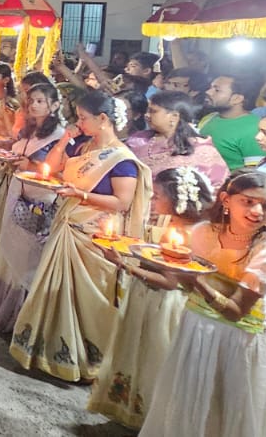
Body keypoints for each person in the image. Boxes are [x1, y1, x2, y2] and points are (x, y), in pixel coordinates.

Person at [9, 90, 151, 382]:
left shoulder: (121, 160)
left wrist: (81, 194)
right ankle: (48, 350)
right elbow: (56, 166)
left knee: (82, 297)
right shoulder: (83, 147)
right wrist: (63, 141)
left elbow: (122, 202)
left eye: (84, 118)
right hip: (66, 224)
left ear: (103, 119)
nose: (79, 123)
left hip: (91, 234)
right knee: (55, 290)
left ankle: (84, 358)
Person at [137, 171, 266, 436]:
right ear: (226, 200)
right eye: (248, 201)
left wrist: (194, 279)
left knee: (226, 409)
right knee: (186, 401)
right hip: (195, 326)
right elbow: (179, 283)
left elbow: (235, 312)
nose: (257, 211)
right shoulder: (202, 233)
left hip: (237, 340)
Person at [88, 165, 218, 428]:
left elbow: (172, 282)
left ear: (175, 196)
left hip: (166, 306)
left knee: (154, 360)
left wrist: (123, 264)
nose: (152, 201)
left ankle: (153, 419)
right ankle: (130, 411)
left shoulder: (196, 233)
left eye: (157, 195)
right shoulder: (171, 222)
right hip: (146, 297)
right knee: (136, 353)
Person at [0, 82, 69, 333]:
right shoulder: (29, 130)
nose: (33, 105)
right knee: (9, 246)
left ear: (54, 105)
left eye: (40, 101)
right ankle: (2, 305)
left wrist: (28, 166)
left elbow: (58, 175)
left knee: (27, 255)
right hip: (16, 190)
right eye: (31, 101)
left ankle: (20, 314)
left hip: (38, 199)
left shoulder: (60, 137)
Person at [127, 90, 230, 186]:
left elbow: (217, 186)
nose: (147, 115)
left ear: (174, 117)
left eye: (153, 111)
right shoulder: (138, 140)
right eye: (147, 110)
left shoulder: (202, 150)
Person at [200, 74, 266, 170]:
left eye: (217, 90)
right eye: (211, 87)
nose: (208, 92)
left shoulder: (254, 129)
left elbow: (256, 174)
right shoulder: (210, 118)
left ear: (237, 99)